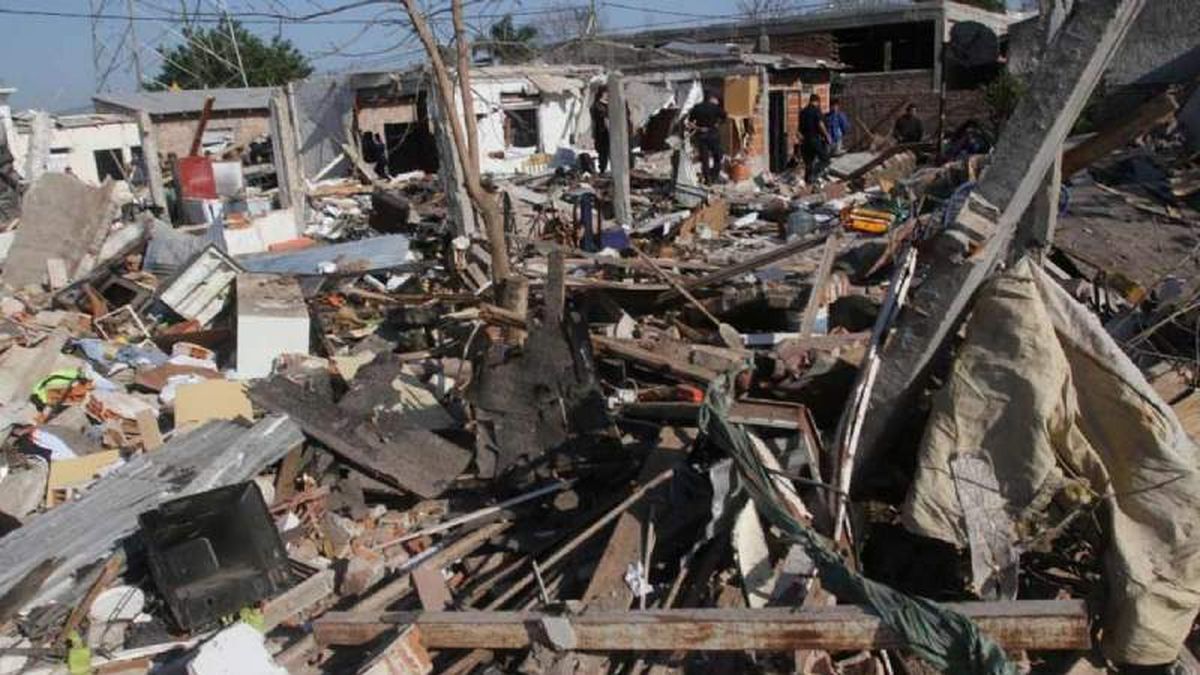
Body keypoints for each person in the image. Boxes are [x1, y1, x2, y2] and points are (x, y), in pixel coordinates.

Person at [688, 91, 727, 184]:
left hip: (701, 135)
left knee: (704, 158)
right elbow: (724, 117)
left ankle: (707, 178)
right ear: (712, 98)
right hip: (712, 134)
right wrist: (717, 124)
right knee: (717, 156)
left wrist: (698, 128)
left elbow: (690, 122)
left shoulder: (697, 107)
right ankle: (714, 176)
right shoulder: (715, 108)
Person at [798, 93, 831, 185]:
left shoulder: (802, 112)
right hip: (815, 139)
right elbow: (820, 125)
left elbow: (799, 130)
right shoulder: (816, 111)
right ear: (817, 101)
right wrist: (827, 136)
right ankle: (814, 175)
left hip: (805, 141)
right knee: (825, 159)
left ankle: (807, 183)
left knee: (808, 163)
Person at [590, 86, 610, 174]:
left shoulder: (609, 104)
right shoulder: (597, 105)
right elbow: (603, 118)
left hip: (609, 133)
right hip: (601, 133)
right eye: (606, 93)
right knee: (603, 153)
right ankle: (603, 170)